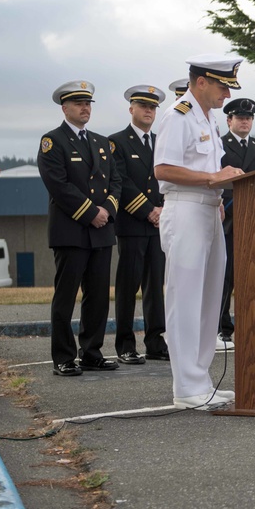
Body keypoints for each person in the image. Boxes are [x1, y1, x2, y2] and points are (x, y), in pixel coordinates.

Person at [153, 54, 246, 411]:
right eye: (223, 86)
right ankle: (186, 387)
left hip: (209, 208)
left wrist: (217, 185)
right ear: (202, 81)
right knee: (185, 299)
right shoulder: (178, 115)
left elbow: (206, 166)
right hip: (186, 208)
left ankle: (201, 380)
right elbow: (163, 168)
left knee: (209, 299)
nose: (227, 94)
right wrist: (212, 178)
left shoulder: (208, 117)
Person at [37, 81, 121, 377]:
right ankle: (63, 357)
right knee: (66, 297)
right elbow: (58, 186)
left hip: (101, 232)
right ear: (65, 108)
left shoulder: (101, 142)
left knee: (98, 297)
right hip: (71, 231)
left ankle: (92, 353)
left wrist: (107, 211)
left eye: (88, 104)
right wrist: (90, 214)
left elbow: (116, 182)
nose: (85, 108)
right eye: (78, 104)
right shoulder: (53, 141)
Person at [109, 85, 168, 365]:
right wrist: (148, 211)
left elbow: (167, 179)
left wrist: (163, 210)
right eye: (143, 106)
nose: (149, 111)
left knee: (155, 287)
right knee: (128, 287)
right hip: (133, 224)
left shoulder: (162, 141)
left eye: (153, 107)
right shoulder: (116, 142)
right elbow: (121, 182)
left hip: (159, 225)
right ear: (131, 109)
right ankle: (125, 345)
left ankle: (156, 343)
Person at [217, 97, 255, 350]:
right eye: (240, 118)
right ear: (229, 120)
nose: (245, 121)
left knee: (254, 277)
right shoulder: (219, 147)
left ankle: (253, 325)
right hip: (229, 220)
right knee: (226, 277)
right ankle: (222, 328)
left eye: (249, 118)